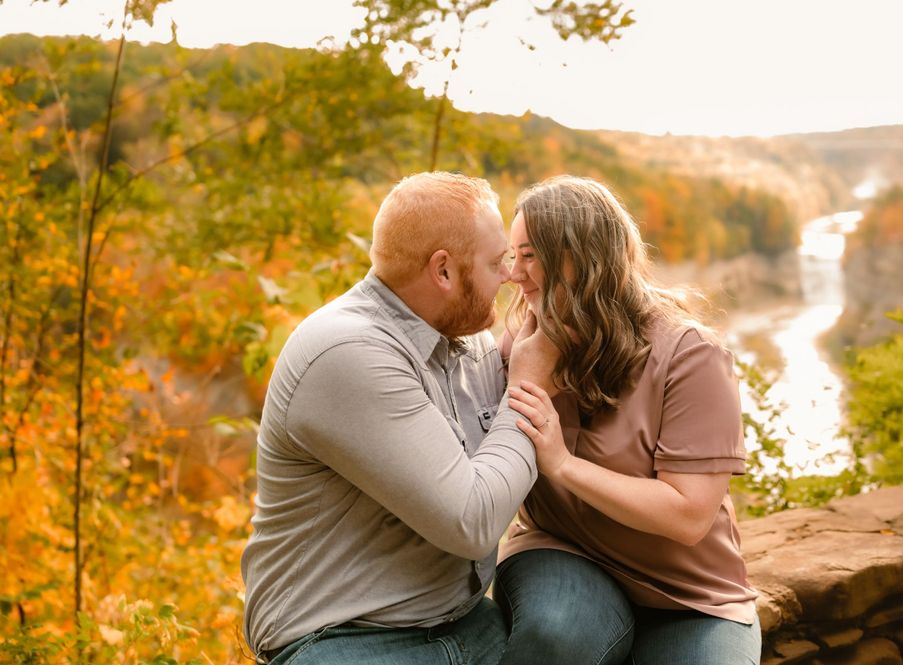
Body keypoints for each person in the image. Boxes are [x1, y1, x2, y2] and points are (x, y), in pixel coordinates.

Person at [241, 172, 555, 665]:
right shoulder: (348, 352)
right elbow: (470, 521)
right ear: (444, 272)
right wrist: (526, 386)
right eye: (497, 262)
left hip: (466, 624)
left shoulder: (463, 337)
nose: (511, 276)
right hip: (342, 640)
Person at [496, 175, 761, 665]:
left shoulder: (690, 354)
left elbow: (688, 516)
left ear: (585, 255)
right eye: (513, 256)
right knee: (556, 639)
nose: (516, 274)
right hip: (562, 551)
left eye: (531, 255)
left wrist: (563, 465)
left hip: (690, 593)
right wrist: (523, 381)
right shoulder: (519, 350)